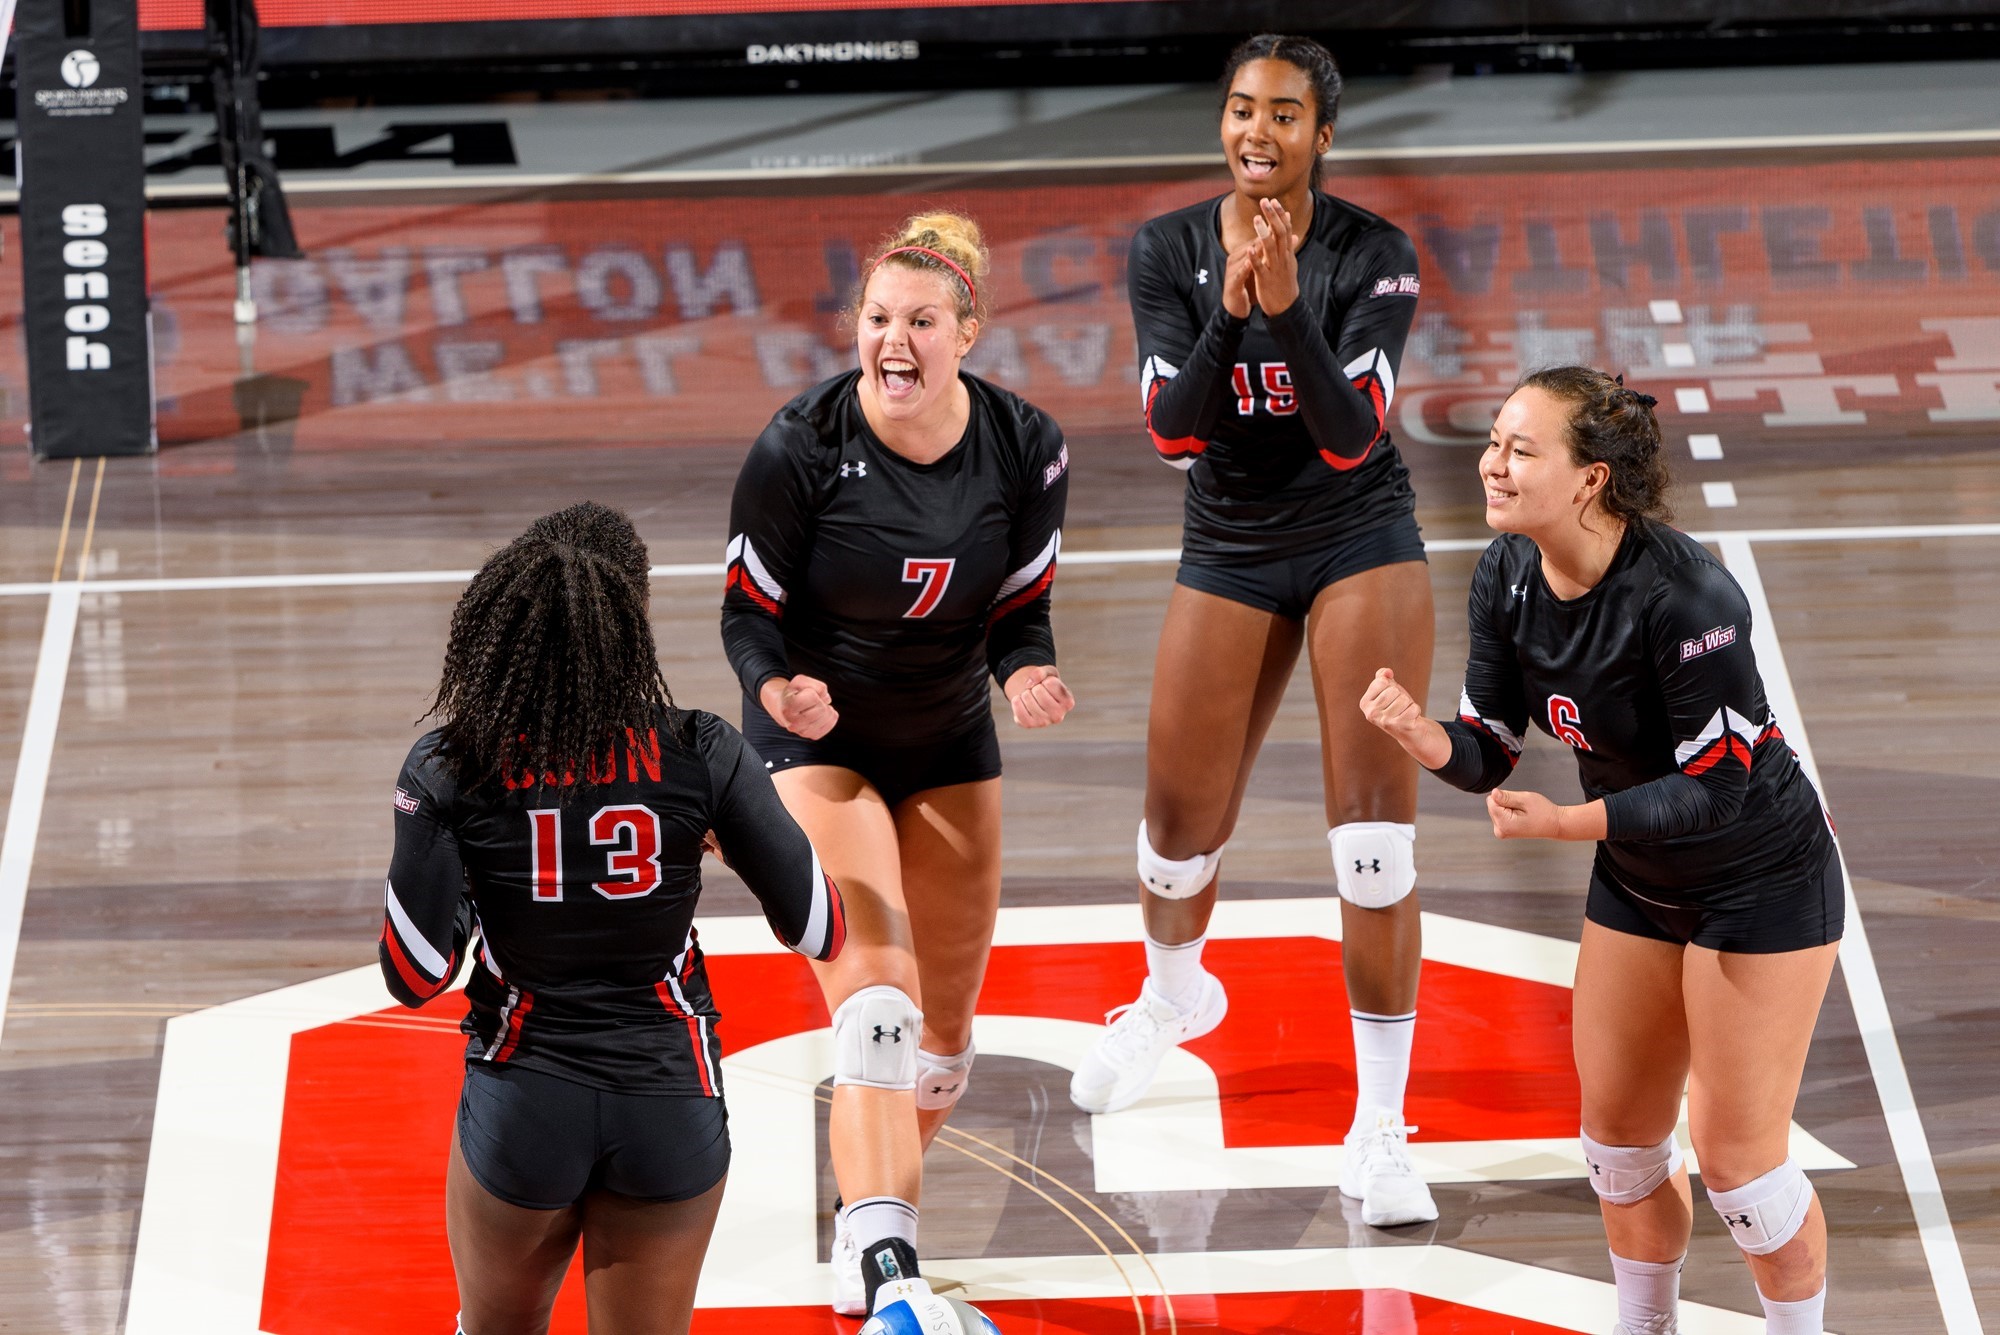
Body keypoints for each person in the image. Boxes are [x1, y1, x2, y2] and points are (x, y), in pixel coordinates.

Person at [1362, 366, 1842, 1335]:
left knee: (1739, 1169)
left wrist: (1565, 824)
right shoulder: (1503, 574)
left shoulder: (1685, 595)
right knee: (1616, 1148)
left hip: (1760, 881)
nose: (1490, 466)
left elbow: (1717, 787)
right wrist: (1427, 740)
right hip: (1636, 875)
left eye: (1518, 450)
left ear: (1588, 480)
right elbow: (1490, 742)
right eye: (1492, 444)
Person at [1069, 32, 1438, 1229]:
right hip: (1226, 541)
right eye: (1239, 109)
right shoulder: (1166, 248)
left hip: (1354, 538)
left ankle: (1379, 1128)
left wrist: (1287, 309)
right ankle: (1174, 997)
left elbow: (1347, 435)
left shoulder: (1377, 256)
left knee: (1369, 851)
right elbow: (1175, 435)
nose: (1256, 133)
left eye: (1284, 114)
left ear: (1323, 137)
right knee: (1174, 837)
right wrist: (1233, 313)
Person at [720, 211, 1074, 1316]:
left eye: (920, 320)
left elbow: (1020, 611)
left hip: (947, 737)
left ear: (967, 330)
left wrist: (1023, 673)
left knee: (942, 1041)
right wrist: (778, 688)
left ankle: (862, 1213)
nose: (893, 340)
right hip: (814, 742)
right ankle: (890, 1280)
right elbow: (743, 616)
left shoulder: (1028, 446)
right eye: (877, 318)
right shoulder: (799, 444)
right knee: (875, 1001)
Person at [380, 502, 846, 1335]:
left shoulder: (451, 763)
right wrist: (721, 832)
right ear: (629, 622)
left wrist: (457, 869)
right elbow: (822, 926)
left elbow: (414, 975)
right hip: (668, 1095)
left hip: (523, 1098)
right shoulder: (702, 750)